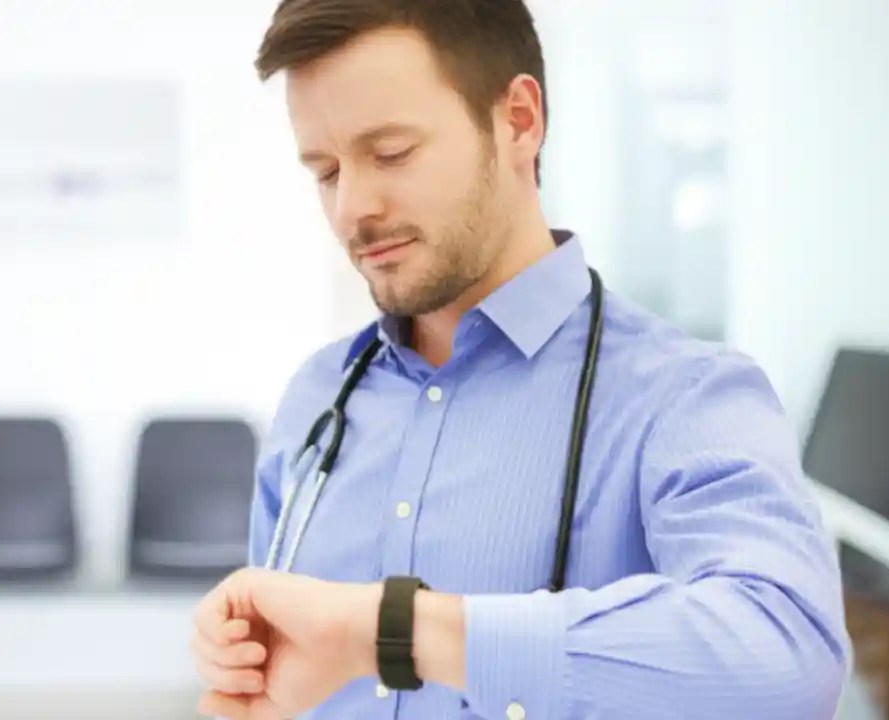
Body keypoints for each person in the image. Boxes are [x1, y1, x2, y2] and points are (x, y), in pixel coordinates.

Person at [189, 1, 851, 718]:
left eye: (391, 153)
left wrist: (395, 630)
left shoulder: (683, 395)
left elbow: (788, 663)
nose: (352, 208)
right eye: (325, 171)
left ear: (519, 120)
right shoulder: (319, 399)